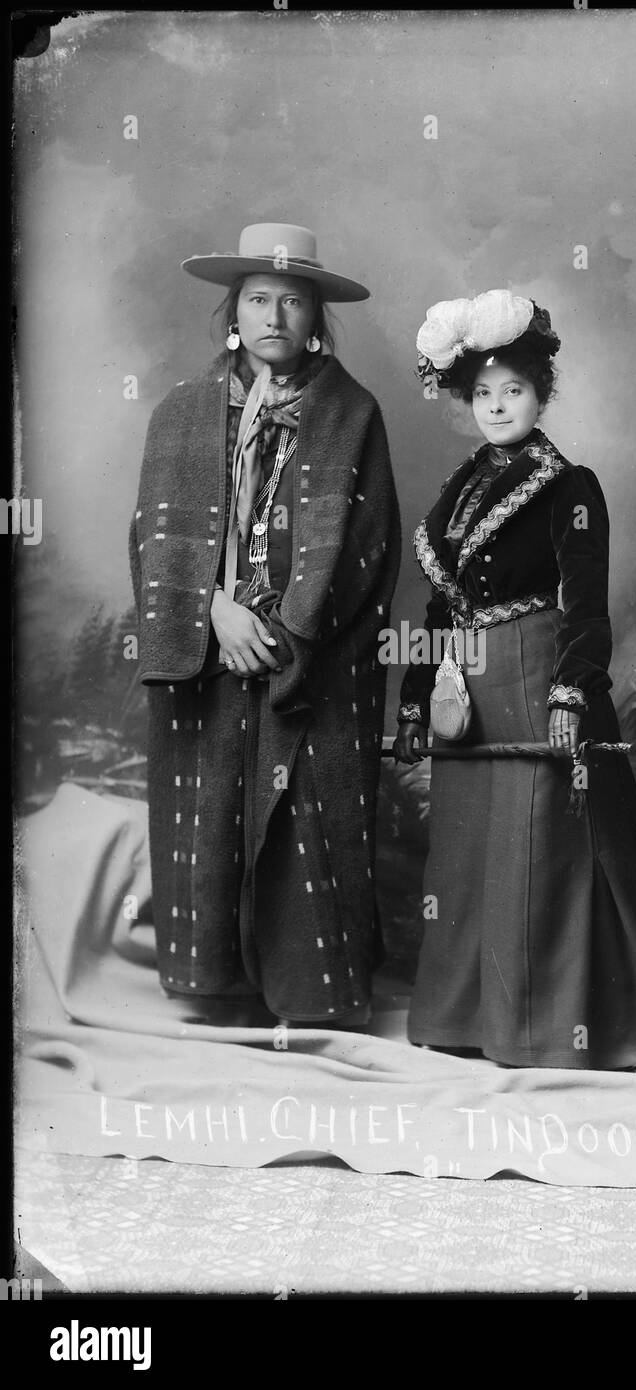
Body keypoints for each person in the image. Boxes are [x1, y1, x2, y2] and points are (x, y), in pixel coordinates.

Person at [394, 289, 636, 1068]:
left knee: (536, 848)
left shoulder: (568, 486)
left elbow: (585, 604)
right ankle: (463, 1015)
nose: (496, 406)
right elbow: (437, 608)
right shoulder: (460, 489)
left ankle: (541, 1025)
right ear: (464, 401)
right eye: (481, 393)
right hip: (466, 689)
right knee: (465, 853)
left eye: (512, 391)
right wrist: (417, 701)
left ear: (540, 394)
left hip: (534, 677)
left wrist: (570, 693)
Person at [129, 222, 400, 1026]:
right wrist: (213, 612)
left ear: (315, 316)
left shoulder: (352, 412)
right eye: (257, 300)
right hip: (207, 645)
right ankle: (217, 985)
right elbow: (153, 535)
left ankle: (311, 992)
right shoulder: (181, 412)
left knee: (306, 808)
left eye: (291, 300)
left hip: (306, 649)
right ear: (232, 315)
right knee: (209, 801)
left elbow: (370, 542)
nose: (273, 316)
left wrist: (284, 631)